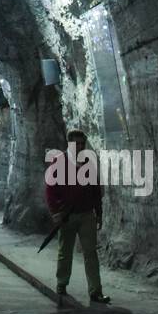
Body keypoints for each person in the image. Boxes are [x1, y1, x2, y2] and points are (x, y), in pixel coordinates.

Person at [45, 129, 111, 304]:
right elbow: (51, 189)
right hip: (67, 215)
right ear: (69, 144)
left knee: (91, 253)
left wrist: (99, 212)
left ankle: (96, 291)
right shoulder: (59, 162)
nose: (80, 147)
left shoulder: (89, 162)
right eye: (77, 143)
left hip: (86, 214)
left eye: (82, 143)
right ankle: (61, 283)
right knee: (65, 252)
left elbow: (96, 189)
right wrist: (56, 212)